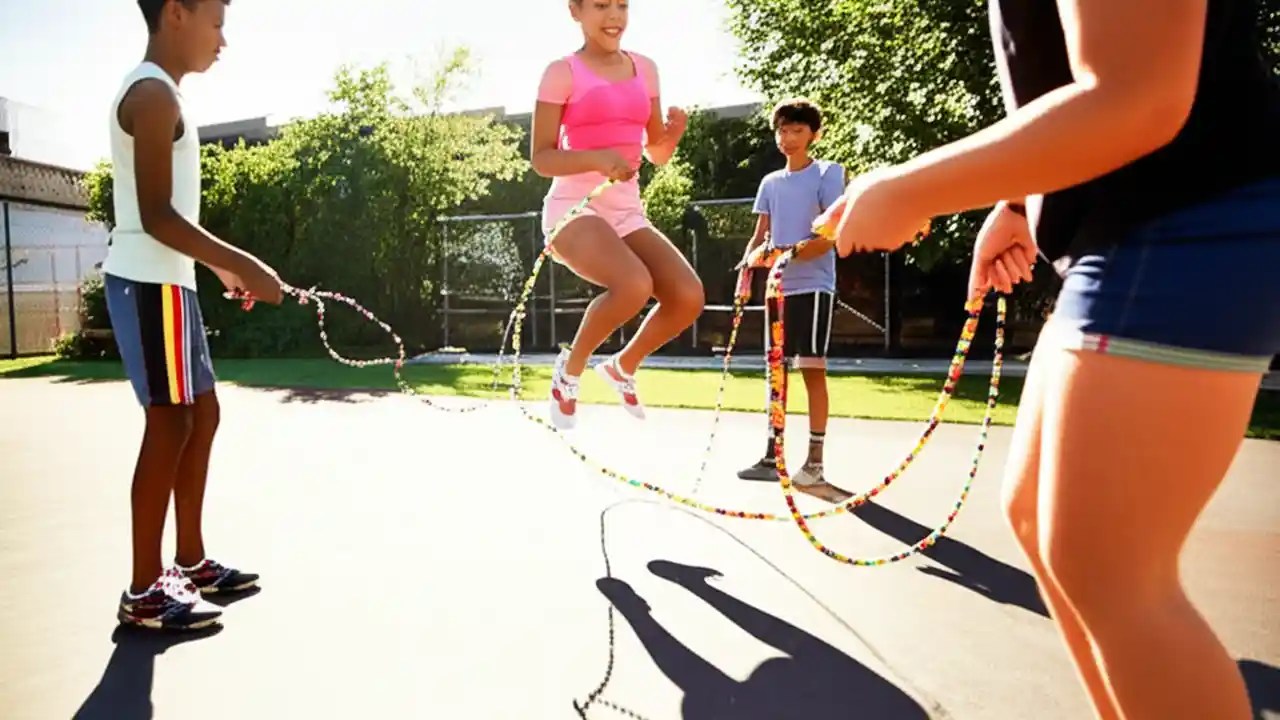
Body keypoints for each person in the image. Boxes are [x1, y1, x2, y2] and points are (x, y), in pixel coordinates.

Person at [821, 0, 1280, 717]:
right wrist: (1016, 201)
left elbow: (1140, 94)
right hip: (1136, 228)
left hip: (1187, 222)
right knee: (1044, 526)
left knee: (1108, 566)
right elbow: (1073, 69)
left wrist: (913, 187)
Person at [104, 0, 285, 631]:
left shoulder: (164, 95)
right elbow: (155, 215)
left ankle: (189, 560)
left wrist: (218, 268)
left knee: (200, 413)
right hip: (148, 281)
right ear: (175, 13)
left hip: (170, 281)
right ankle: (144, 591)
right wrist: (245, 261)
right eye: (216, 21)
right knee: (170, 422)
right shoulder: (153, 96)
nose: (223, 39)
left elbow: (167, 215)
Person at [531, 0, 703, 430]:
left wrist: (674, 133)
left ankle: (622, 367)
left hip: (625, 209)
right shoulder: (562, 72)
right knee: (632, 284)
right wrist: (597, 159)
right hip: (575, 207)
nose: (614, 16)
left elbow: (656, 151)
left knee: (687, 297)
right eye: (601, 5)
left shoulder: (645, 69)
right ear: (576, 11)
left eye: (622, 5)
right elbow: (542, 159)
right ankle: (568, 374)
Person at [734, 99, 853, 504]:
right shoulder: (770, 183)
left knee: (811, 371)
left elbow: (830, 236)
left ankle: (815, 465)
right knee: (775, 375)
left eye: (796, 131)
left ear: (813, 134)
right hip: (777, 291)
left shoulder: (828, 173)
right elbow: (760, 237)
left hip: (813, 288)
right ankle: (773, 456)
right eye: (782, 131)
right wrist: (747, 271)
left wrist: (787, 253)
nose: (787, 138)